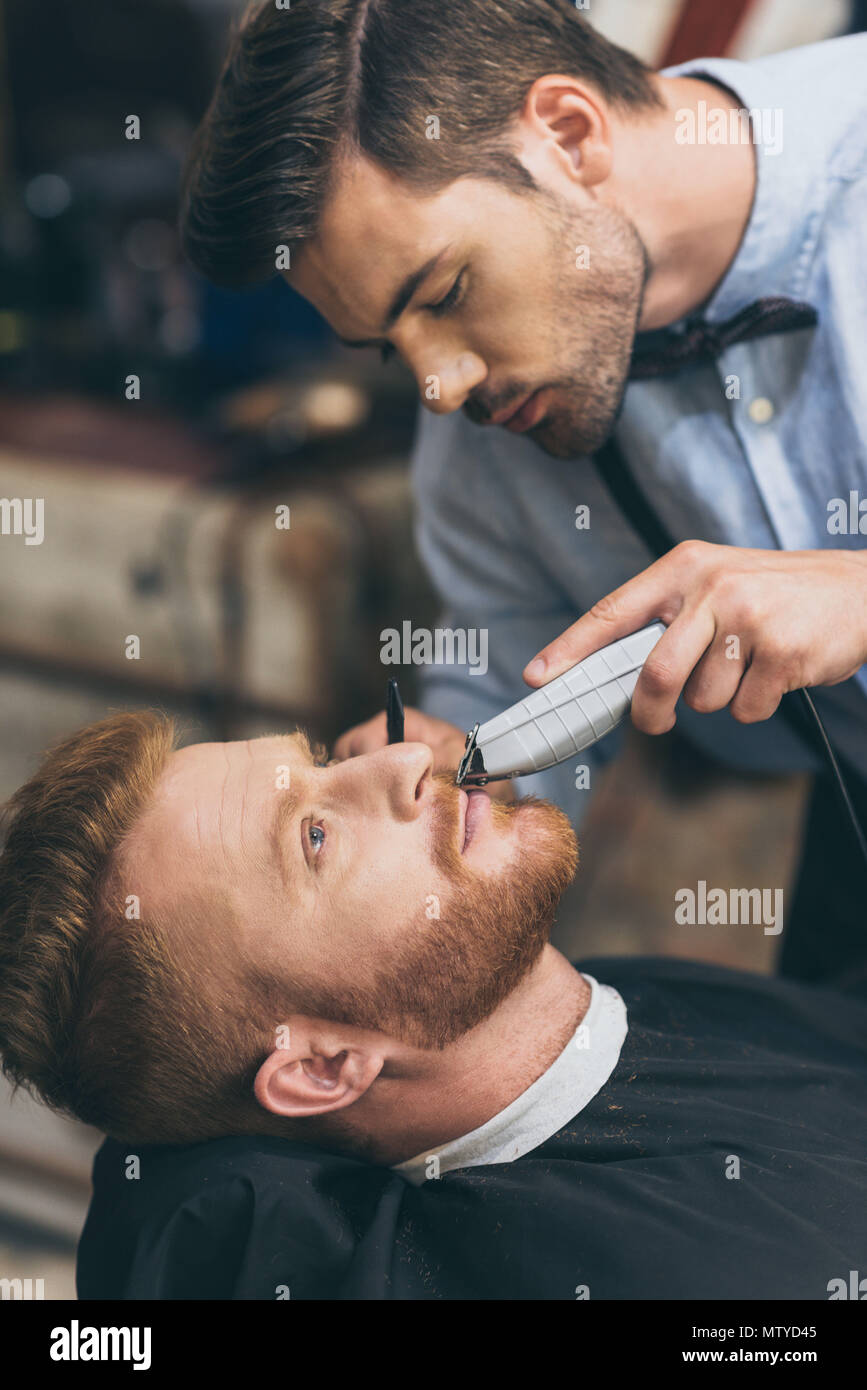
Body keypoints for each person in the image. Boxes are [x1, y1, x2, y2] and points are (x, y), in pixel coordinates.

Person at [180, 2, 867, 984]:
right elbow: (513, 670)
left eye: (446, 293)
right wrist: (462, 758)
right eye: (387, 343)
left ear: (571, 135)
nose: (438, 387)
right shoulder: (481, 436)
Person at [1, 711, 865, 1299]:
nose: (408, 759)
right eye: (314, 835)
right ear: (321, 1067)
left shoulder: (604, 996)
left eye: (325, 764)